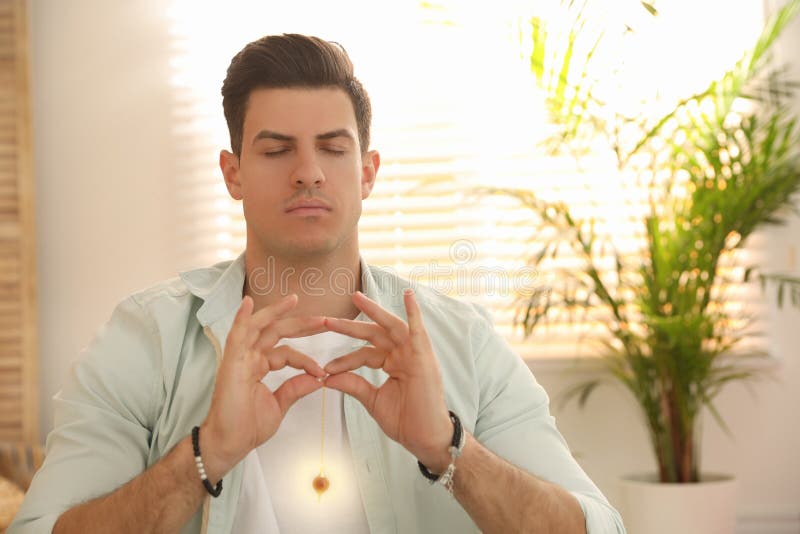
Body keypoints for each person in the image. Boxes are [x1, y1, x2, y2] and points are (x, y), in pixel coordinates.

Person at [10, 34, 625, 533]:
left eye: (332, 149)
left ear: (367, 172)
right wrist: (205, 455)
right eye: (276, 151)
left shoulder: (461, 341)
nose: (308, 174)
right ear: (233, 173)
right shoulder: (145, 339)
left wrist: (448, 449)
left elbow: (598, 528)